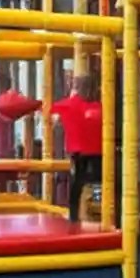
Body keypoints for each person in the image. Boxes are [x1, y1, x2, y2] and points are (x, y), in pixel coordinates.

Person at [52, 76, 103, 223]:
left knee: (80, 182)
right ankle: (80, 213)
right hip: (88, 151)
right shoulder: (96, 107)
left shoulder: (76, 105)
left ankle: (76, 214)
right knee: (87, 181)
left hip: (84, 151)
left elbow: (53, 116)